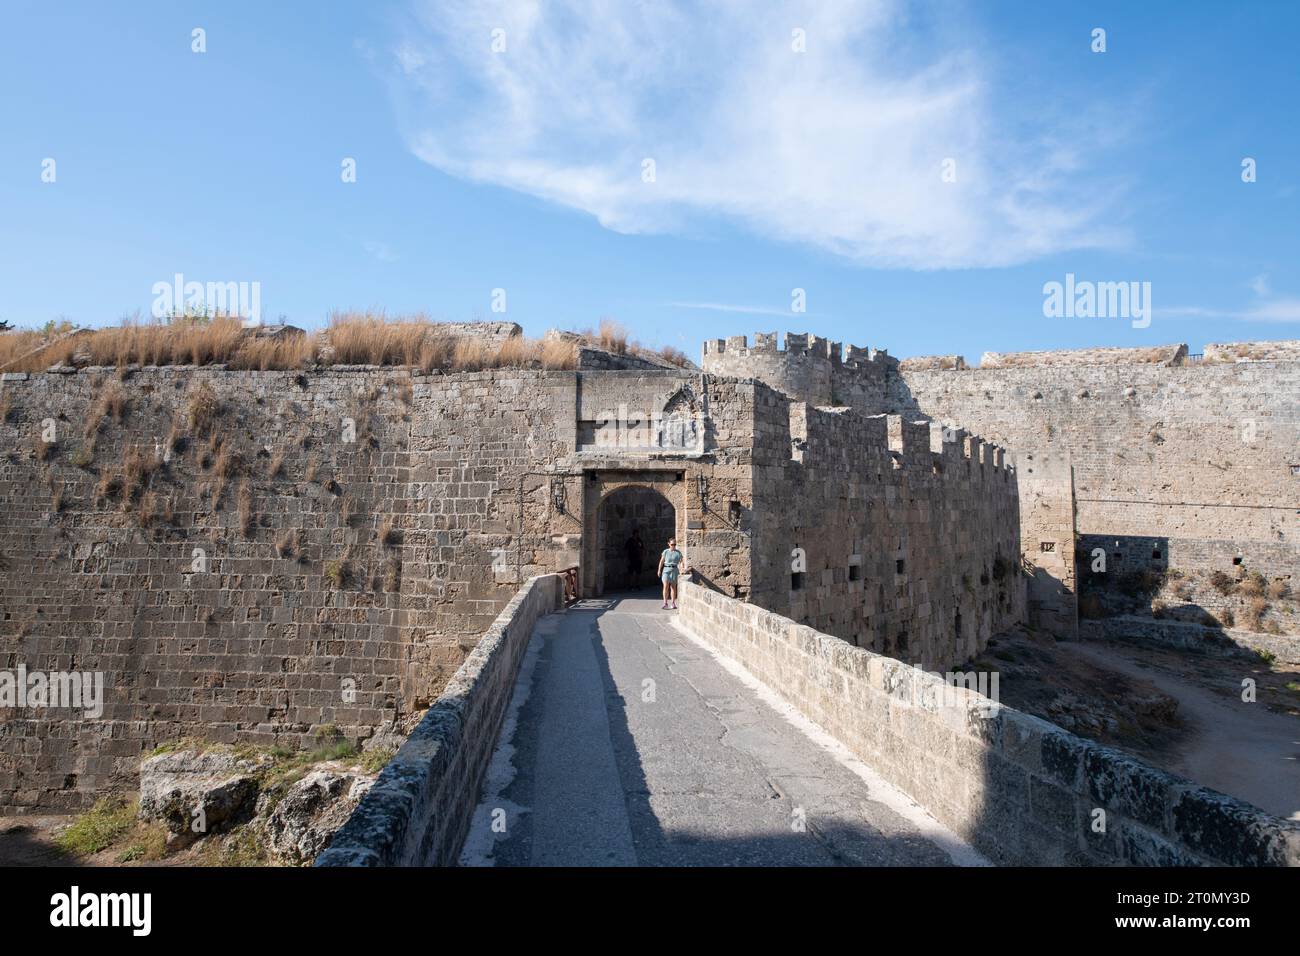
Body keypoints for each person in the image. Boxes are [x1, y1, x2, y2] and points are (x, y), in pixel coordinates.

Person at [657, 537, 685, 610]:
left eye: (675, 544)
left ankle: (673, 603)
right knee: (665, 586)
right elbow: (661, 561)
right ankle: (665, 603)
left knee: (673, 587)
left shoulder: (678, 553)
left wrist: (682, 568)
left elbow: (681, 561)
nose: (674, 546)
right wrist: (659, 570)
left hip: (675, 570)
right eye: (672, 544)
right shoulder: (665, 552)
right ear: (669, 544)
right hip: (666, 569)